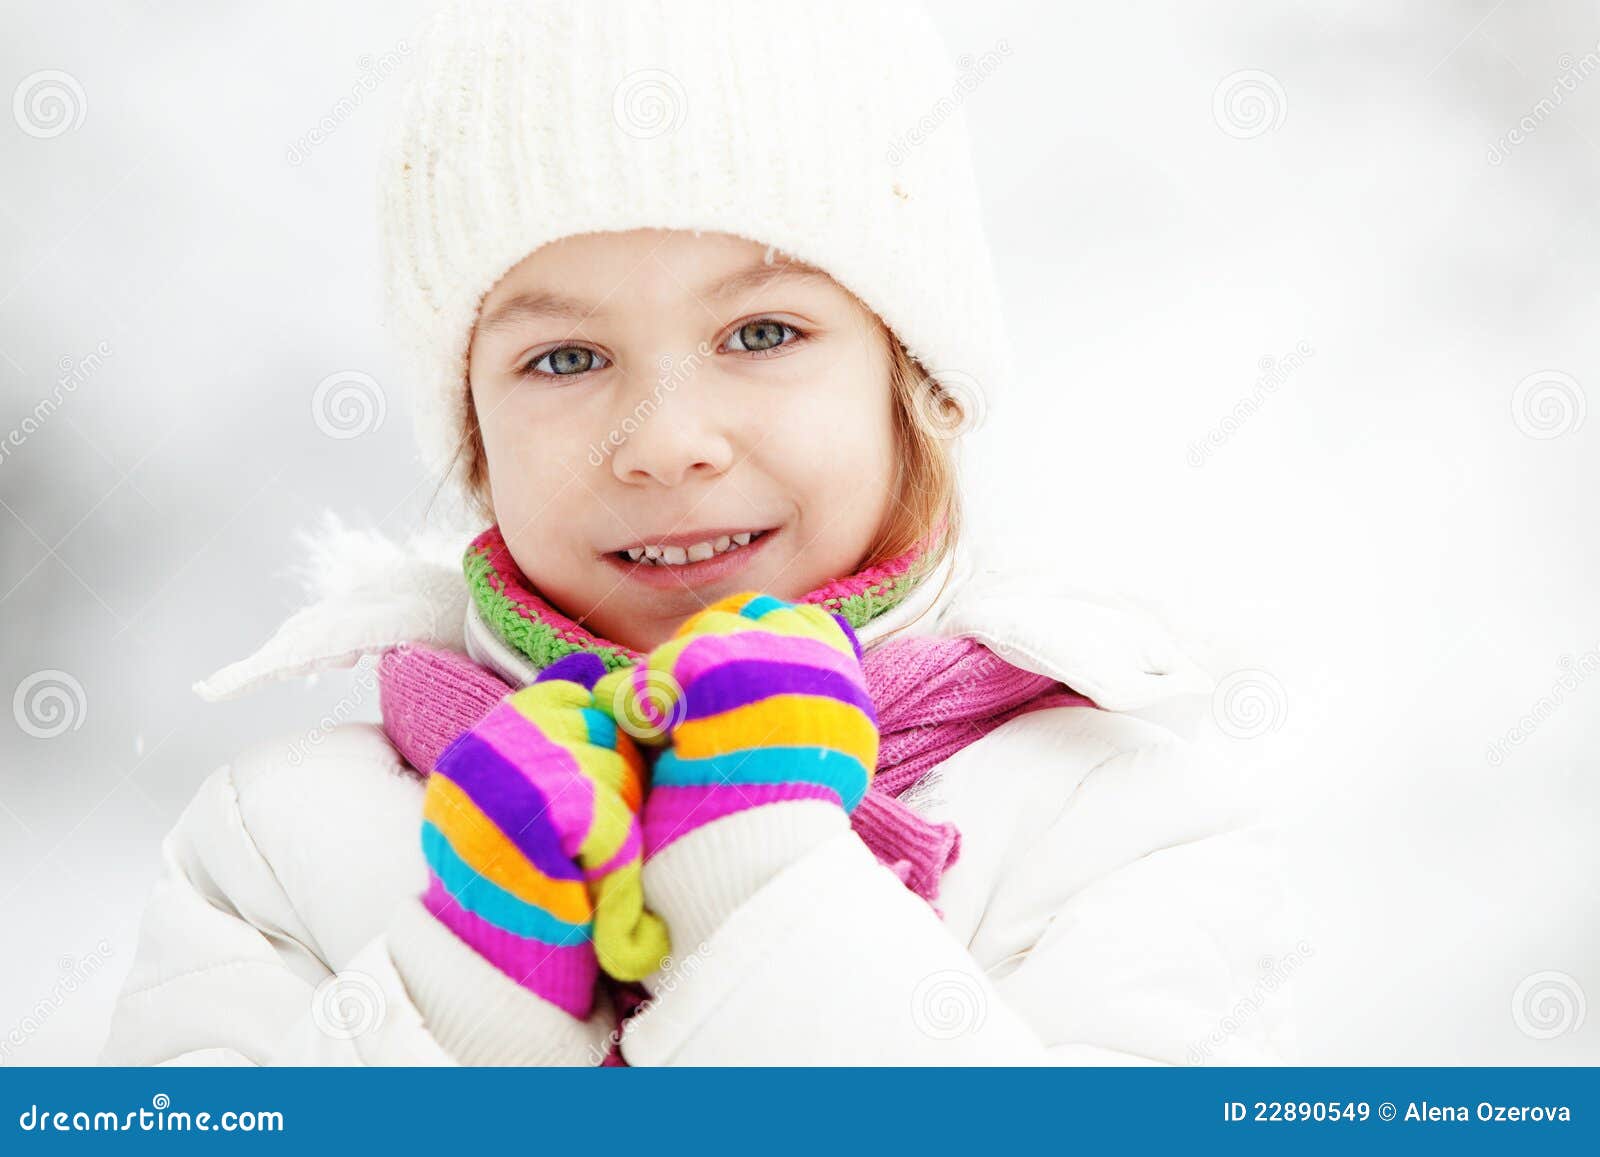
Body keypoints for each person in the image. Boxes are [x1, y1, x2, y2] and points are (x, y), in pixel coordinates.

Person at [101, 0, 1296, 1066]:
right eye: (565, 357)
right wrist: (464, 993)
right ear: (471, 434)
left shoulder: (1119, 821)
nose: (665, 442)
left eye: (761, 334)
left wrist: (763, 894)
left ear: (917, 378)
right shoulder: (276, 845)